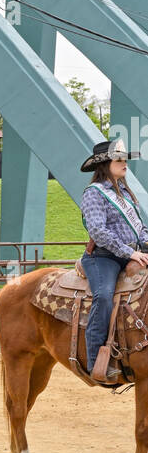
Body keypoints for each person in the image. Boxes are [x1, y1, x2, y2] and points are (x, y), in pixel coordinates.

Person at [79, 138, 148, 377]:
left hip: (131, 252)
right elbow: (97, 231)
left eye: (125, 159)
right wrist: (131, 252)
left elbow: (140, 227)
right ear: (105, 164)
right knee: (104, 296)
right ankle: (95, 360)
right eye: (119, 159)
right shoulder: (94, 193)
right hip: (102, 258)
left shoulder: (125, 194)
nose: (125, 163)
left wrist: (146, 243)